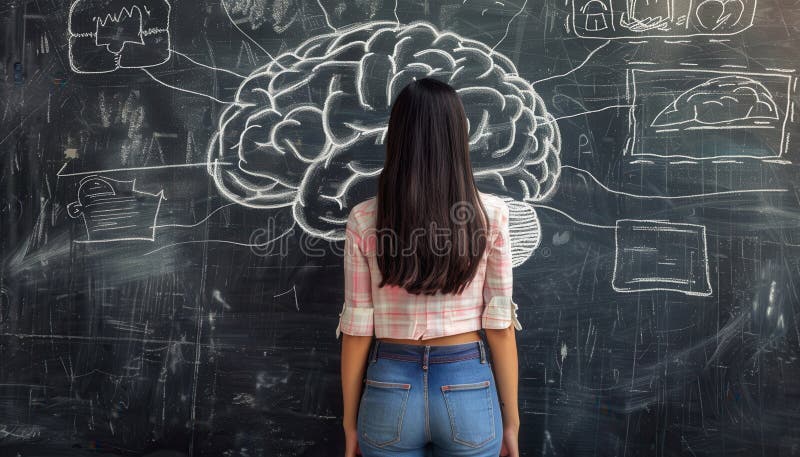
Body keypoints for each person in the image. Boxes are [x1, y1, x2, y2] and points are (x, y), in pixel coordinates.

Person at [337, 77, 522, 457]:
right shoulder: (492, 215)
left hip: (389, 387)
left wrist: (349, 424)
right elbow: (500, 327)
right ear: (458, 136)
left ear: (396, 136)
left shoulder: (364, 218)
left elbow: (357, 330)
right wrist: (511, 423)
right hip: (468, 387)